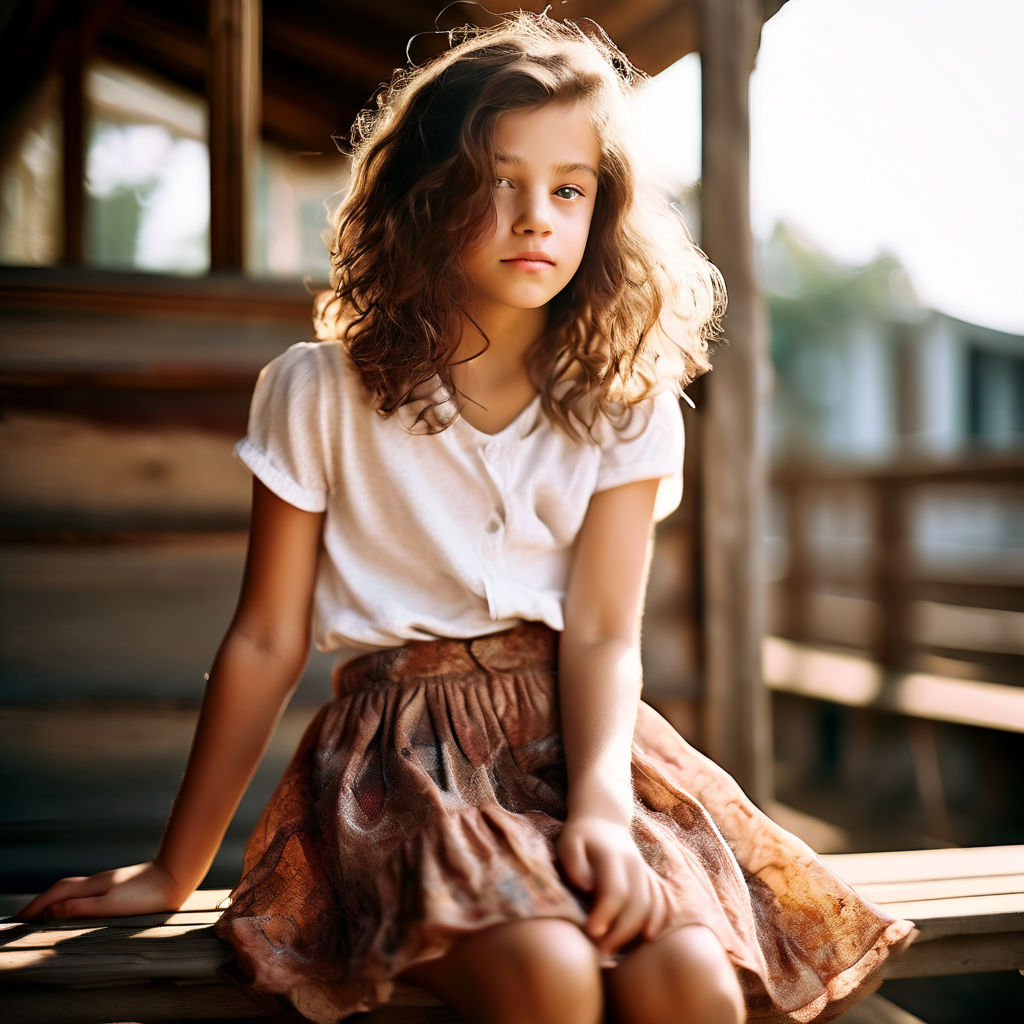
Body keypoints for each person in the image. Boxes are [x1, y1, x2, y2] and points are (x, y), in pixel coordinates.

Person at [17, 12, 914, 1024]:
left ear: (604, 210)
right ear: (427, 194)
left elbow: (604, 632)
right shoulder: (318, 391)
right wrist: (175, 868)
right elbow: (266, 637)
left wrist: (602, 814)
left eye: (568, 189)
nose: (537, 217)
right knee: (547, 969)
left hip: (583, 752)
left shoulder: (627, 398)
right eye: (498, 180)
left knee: (688, 983)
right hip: (401, 763)